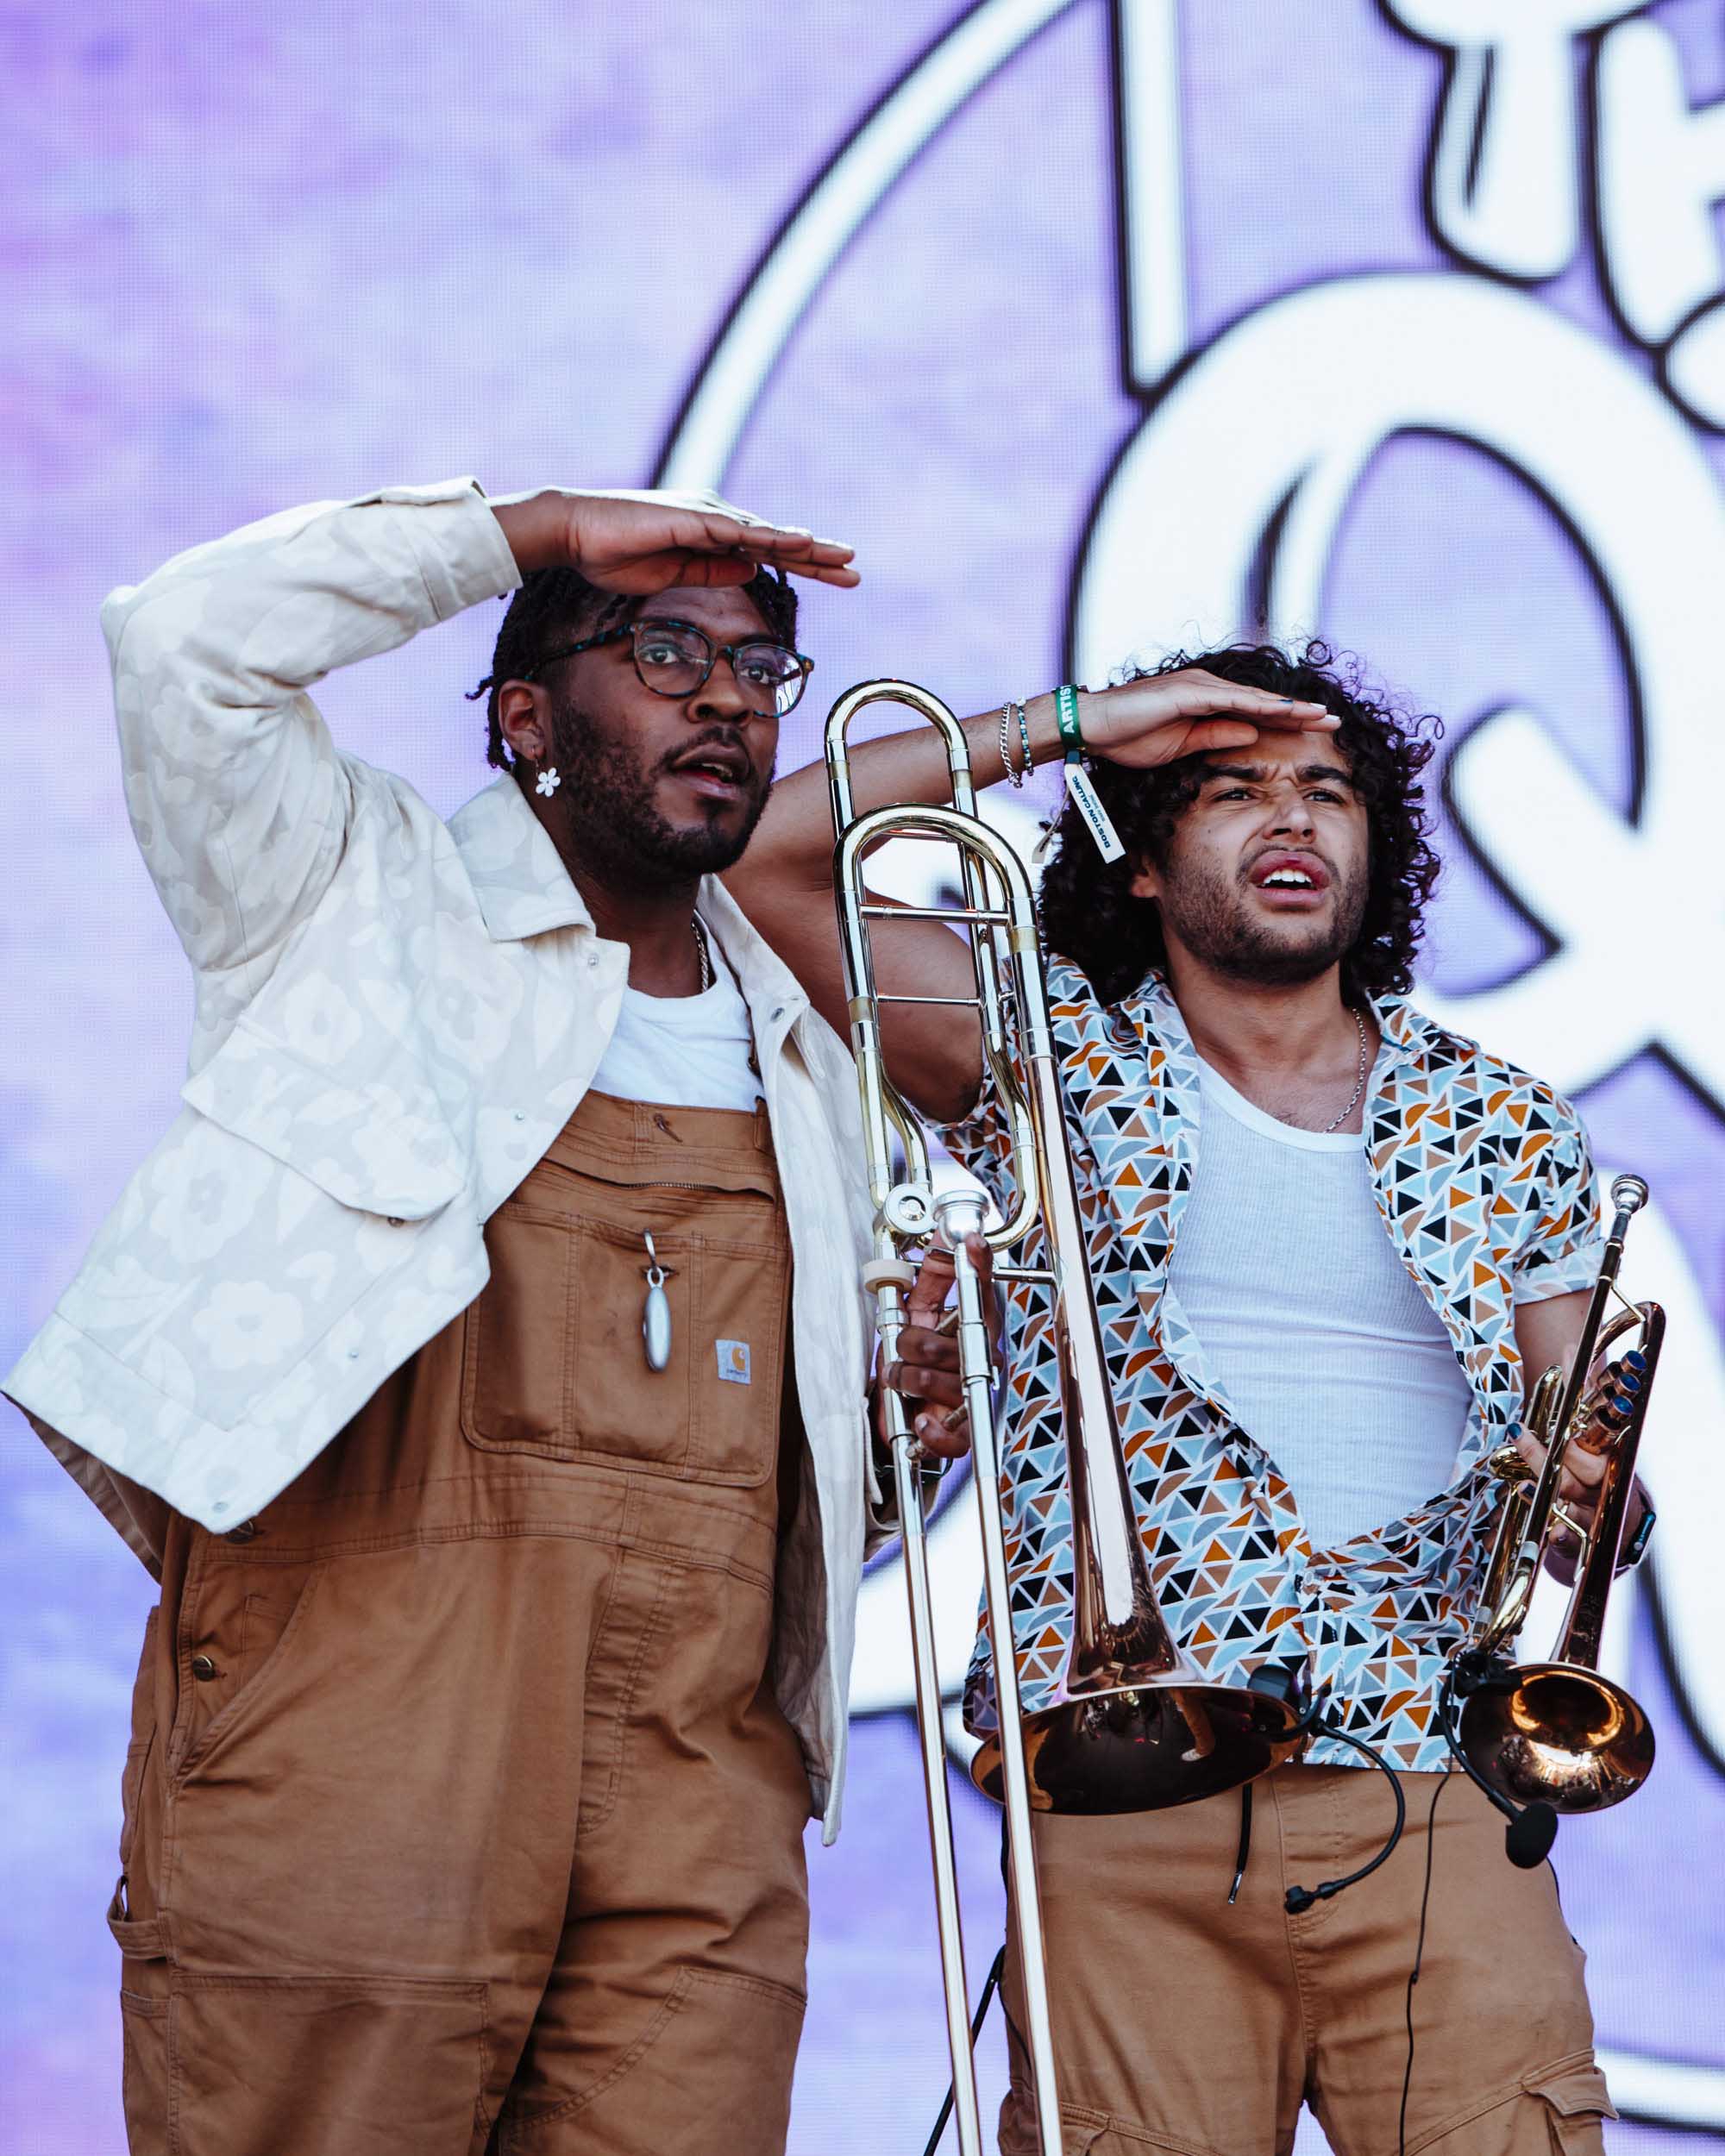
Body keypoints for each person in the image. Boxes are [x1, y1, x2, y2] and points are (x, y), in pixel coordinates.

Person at [3, 477, 894, 2156]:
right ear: (522, 716)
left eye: (762, 667)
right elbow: (184, 643)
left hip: (703, 1794)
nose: (725, 695)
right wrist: (533, 530)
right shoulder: (345, 892)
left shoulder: (808, 1046)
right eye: (662, 645)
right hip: (362, 1730)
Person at [727, 642, 1653, 2156]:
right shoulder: (1046, 1062)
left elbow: (1579, 1450)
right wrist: (1079, 727)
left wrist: (1592, 1498)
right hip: (1123, 1796)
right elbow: (771, 859)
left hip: (1433, 1791)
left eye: (1327, 792)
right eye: (1230, 792)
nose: (1292, 820)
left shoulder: (1501, 1116)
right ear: (1145, 863)